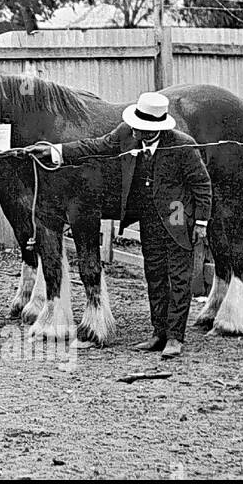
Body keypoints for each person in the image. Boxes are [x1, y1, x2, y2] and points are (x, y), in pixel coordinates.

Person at [26, 92, 211, 359]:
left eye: (144, 129)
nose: (137, 131)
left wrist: (201, 222)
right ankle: (158, 333)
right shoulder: (127, 133)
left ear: (156, 128)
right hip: (148, 219)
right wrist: (58, 151)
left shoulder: (182, 145)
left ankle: (175, 338)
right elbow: (96, 146)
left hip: (176, 217)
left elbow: (202, 185)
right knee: (155, 276)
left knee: (179, 278)